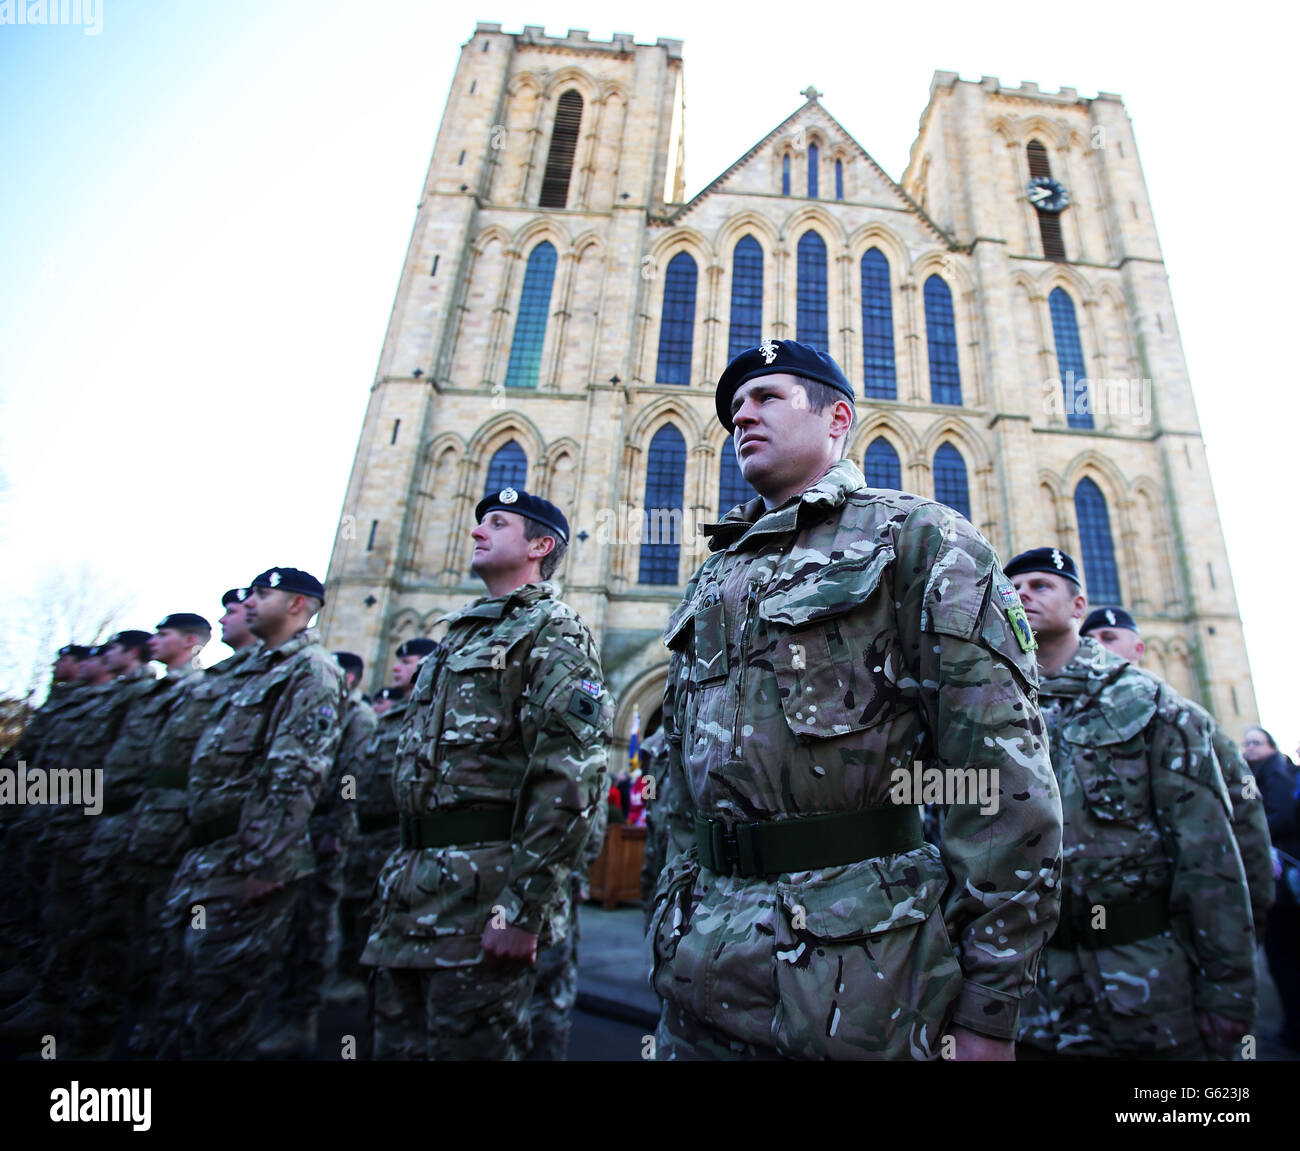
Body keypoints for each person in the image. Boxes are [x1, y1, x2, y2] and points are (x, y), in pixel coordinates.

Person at [650, 339, 1062, 1061]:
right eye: (733, 408)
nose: (741, 415)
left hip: (859, 977)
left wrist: (992, 1006)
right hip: (699, 968)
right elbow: (681, 782)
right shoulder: (714, 577)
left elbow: (999, 779)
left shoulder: (920, 539)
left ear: (837, 416)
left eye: (766, 397)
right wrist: (671, 912)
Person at [362, 489, 613, 1060]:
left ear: (540, 546)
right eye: (479, 523)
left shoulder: (553, 629)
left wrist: (524, 910)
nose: (477, 531)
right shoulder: (457, 636)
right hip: (412, 894)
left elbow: (569, 778)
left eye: (496, 524)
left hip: (483, 901)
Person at [1011, 550, 1256, 1059]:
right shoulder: (989, 709)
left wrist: (1228, 991)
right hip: (1027, 997)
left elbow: (1210, 857)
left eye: (1040, 584)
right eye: (1012, 586)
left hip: (1143, 987)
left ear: (1080, 604)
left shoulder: (1152, 705)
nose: (1023, 594)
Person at [160, 568, 343, 1059]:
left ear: (297, 605)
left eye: (263, 594)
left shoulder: (312, 671)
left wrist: (266, 858)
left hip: (247, 862)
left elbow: (296, 770)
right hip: (207, 854)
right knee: (181, 988)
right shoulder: (248, 672)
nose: (247, 604)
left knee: (222, 1001)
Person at [0, 631, 157, 1040]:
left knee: (89, 920)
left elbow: (121, 766)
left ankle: (83, 1025)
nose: (96, 661)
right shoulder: (87, 700)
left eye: (109, 653)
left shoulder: (144, 695)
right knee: (51, 903)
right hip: (64, 808)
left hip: (100, 818)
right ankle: (43, 983)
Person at [1080, 606, 1274, 937]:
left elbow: (1246, 810)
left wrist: (1248, 917)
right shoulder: (1069, 726)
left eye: (1109, 638)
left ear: (1139, 649)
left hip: (1171, 928)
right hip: (1094, 932)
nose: (1098, 647)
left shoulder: (1187, 719)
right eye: (1090, 640)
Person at [71, 613, 211, 1056]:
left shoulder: (197, 690)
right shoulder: (158, 692)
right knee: (104, 925)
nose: (155, 640)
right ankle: (90, 1022)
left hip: (166, 830)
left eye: (164, 634)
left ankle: (147, 1032)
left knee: (159, 940)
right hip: (129, 821)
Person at [132, 589, 261, 1057]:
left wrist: (268, 859)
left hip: (235, 847)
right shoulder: (222, 679)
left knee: (218, 979)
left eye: (252, 603)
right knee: (173, 958)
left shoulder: (297, 674)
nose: (235, 616)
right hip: (186, 835)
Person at [258, 650, 376, 1057]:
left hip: (328, 828)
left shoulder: (358, 718)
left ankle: (306, 1011)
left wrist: (340, 825)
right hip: (296, 826)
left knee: (318, 916)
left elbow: (350, 777)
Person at [332, 638, 437, 1010]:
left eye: (407, 661)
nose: (396, 668)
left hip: (406, 836)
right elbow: (353, 775)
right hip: (366, 832)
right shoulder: (383, 716)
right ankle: (356, 980)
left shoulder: (439, 710)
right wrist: (346, 814)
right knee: (355, 911)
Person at [1242, 726, 1300, 1052]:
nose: (1249, 748)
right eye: (1246, 743)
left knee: (1284, 957)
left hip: (1284, 886)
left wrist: (1251, 831)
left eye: (1256, 743)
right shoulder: (1259, 773)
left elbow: (1280, 818)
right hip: (1280, 884)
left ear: (1270, 747)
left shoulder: (1275, 773)